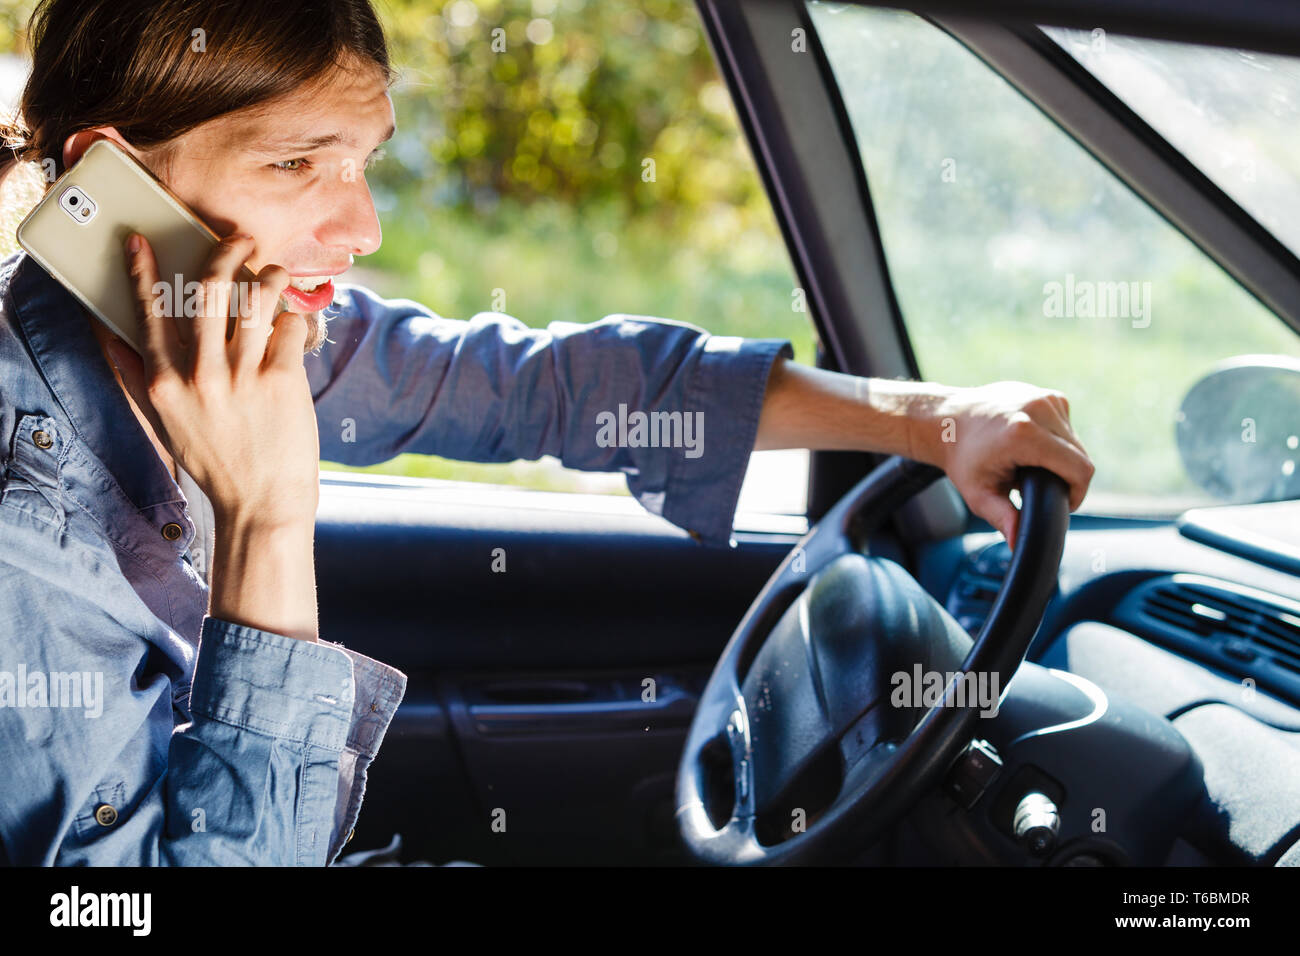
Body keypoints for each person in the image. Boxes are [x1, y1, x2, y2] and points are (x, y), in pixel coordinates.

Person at [0, 0, 1093, 866]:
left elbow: (535, 384)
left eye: (365, 162)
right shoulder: (22, 530)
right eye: (296, 163)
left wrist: (927, 417)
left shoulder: (222, 329)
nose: (363, 226)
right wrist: (269, 521)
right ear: (117, 182)